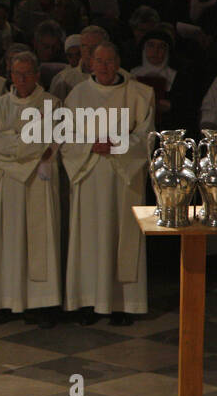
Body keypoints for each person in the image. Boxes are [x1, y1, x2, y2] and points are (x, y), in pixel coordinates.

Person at [61, 42, 154, 325]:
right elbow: (65, 136)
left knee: (122, 236)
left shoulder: (139, 93)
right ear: (90, 64)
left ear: (118, 62)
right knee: (89, 239)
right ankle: (89, 301)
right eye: (98, 60)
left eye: (109, 60)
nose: (104, 66)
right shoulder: (77, 95)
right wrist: (91, 144)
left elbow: (146, 137)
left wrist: (116, 144)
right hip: (89, 176)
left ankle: (123, 303)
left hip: (123, 178)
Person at [0, 51, 63, 326]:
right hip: (9, 185)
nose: (23, 78)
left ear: (38, 74)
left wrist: (11, 144)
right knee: (10, 240)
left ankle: (42, 303)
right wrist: (21, 146)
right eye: (17, 73)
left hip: (39, 182)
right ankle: (7, 300)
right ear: (10, 75)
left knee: (41, 241)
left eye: (28, 73)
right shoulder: (1, 105)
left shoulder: (51, 104)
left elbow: (46, 145)